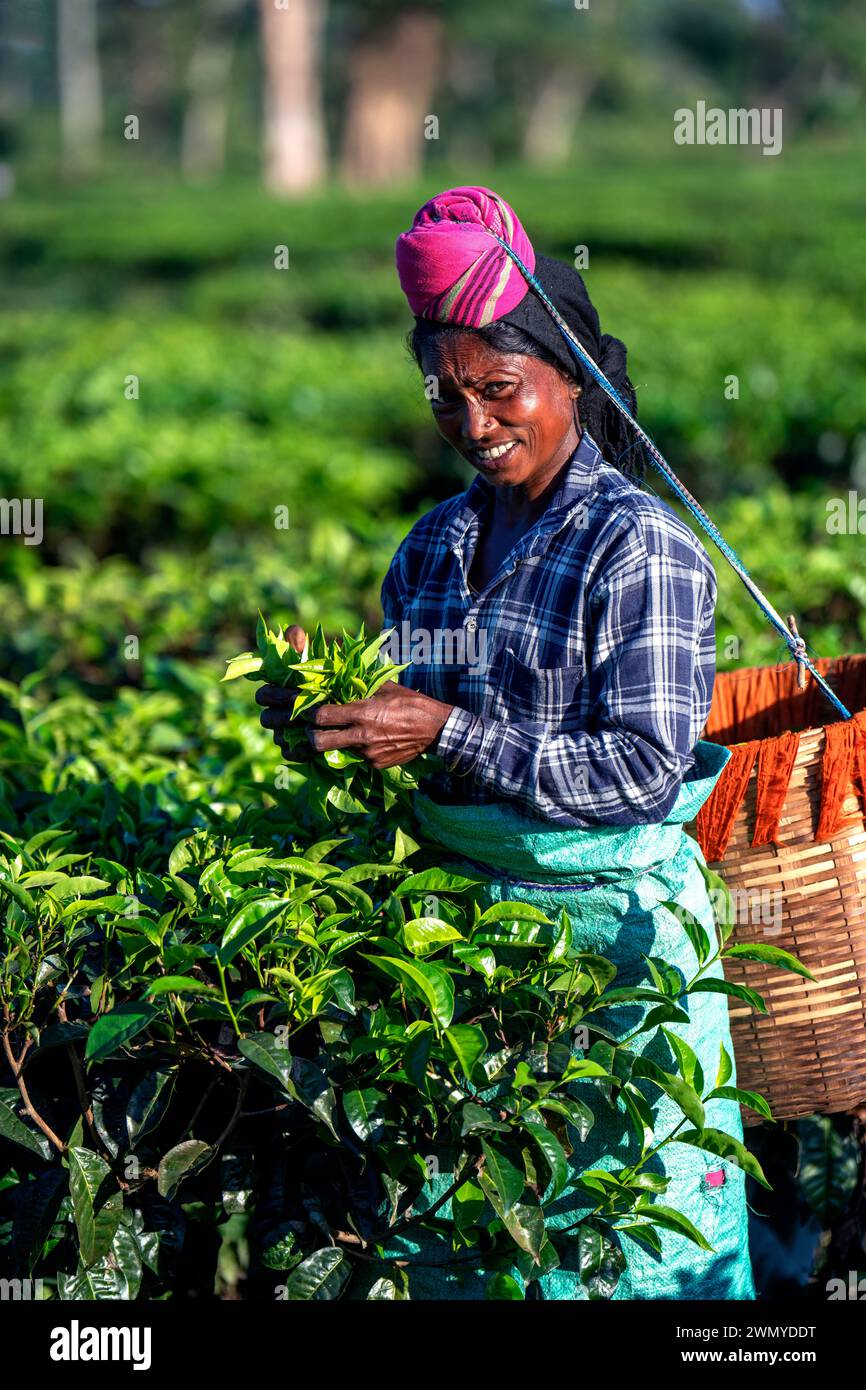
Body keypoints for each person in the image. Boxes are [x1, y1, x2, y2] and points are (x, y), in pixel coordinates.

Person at [256, 185, 756, 1301]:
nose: (474, 424)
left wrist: (445, 729)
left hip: (616, 970)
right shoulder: (432, 548)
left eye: (499, 390)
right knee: (479, 1239)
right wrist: (323, 721)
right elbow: (413, 742)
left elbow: (638, 769)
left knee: (628, 1238)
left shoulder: (640, 549)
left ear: (566, 375)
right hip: (461, 966)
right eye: (445, 396)